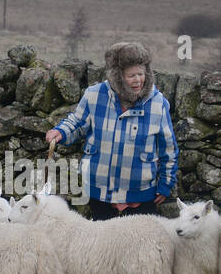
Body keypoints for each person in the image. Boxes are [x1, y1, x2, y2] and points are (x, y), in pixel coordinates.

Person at [45, 41, 179, 220]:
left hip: (140, 191)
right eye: (131, 75)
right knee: (103, 246)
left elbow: (168, 149)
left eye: (141, 73)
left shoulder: (157, 103)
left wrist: (165, 184)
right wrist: (61, 132)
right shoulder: (95, 95)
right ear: (117, 76)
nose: (138, 80)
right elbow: (77, 123)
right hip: (100, 190)